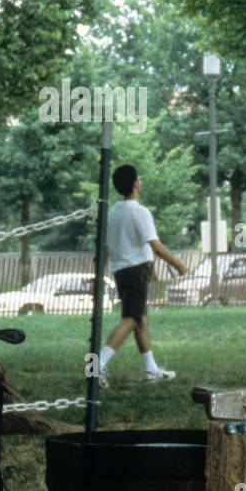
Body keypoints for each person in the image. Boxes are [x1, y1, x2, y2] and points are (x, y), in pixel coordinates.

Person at [97, 165, 188, 387]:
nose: (141, 182)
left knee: (141, 320)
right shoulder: (140, 211)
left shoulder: (113, 212)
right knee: (131, 319)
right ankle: (96, 366)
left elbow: (110, 246)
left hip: (121, 271)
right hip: (135, 271)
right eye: (140, 178)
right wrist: (179, 265)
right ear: (135, 184)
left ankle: (151, 370)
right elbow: (154, 243)